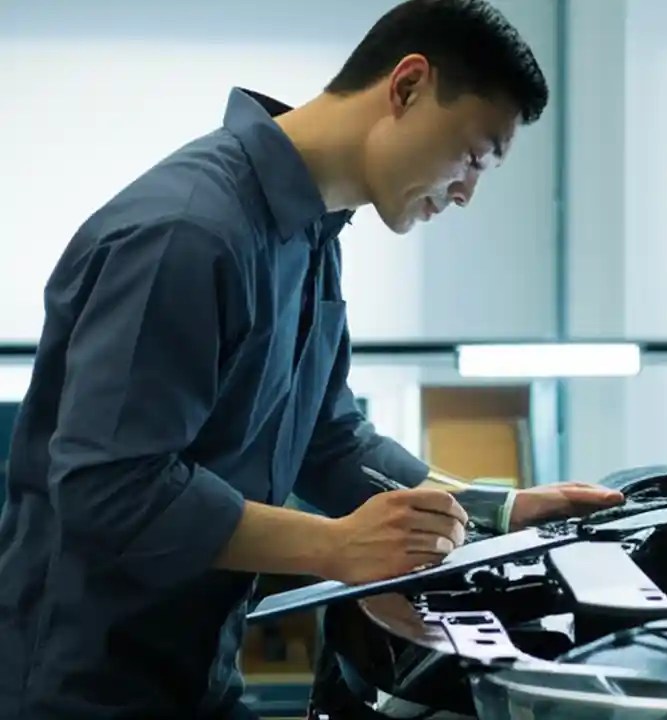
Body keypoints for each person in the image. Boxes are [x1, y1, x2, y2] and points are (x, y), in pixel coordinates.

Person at [0, 1, 625, 718]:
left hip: (196, 670)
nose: (464, 193)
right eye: (473, 156)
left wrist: (495, 510)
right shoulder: (187, 234)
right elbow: (110, 486)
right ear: (408, 86)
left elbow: (329, 441)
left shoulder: (311, 233)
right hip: (77, 686)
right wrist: (336, 547)